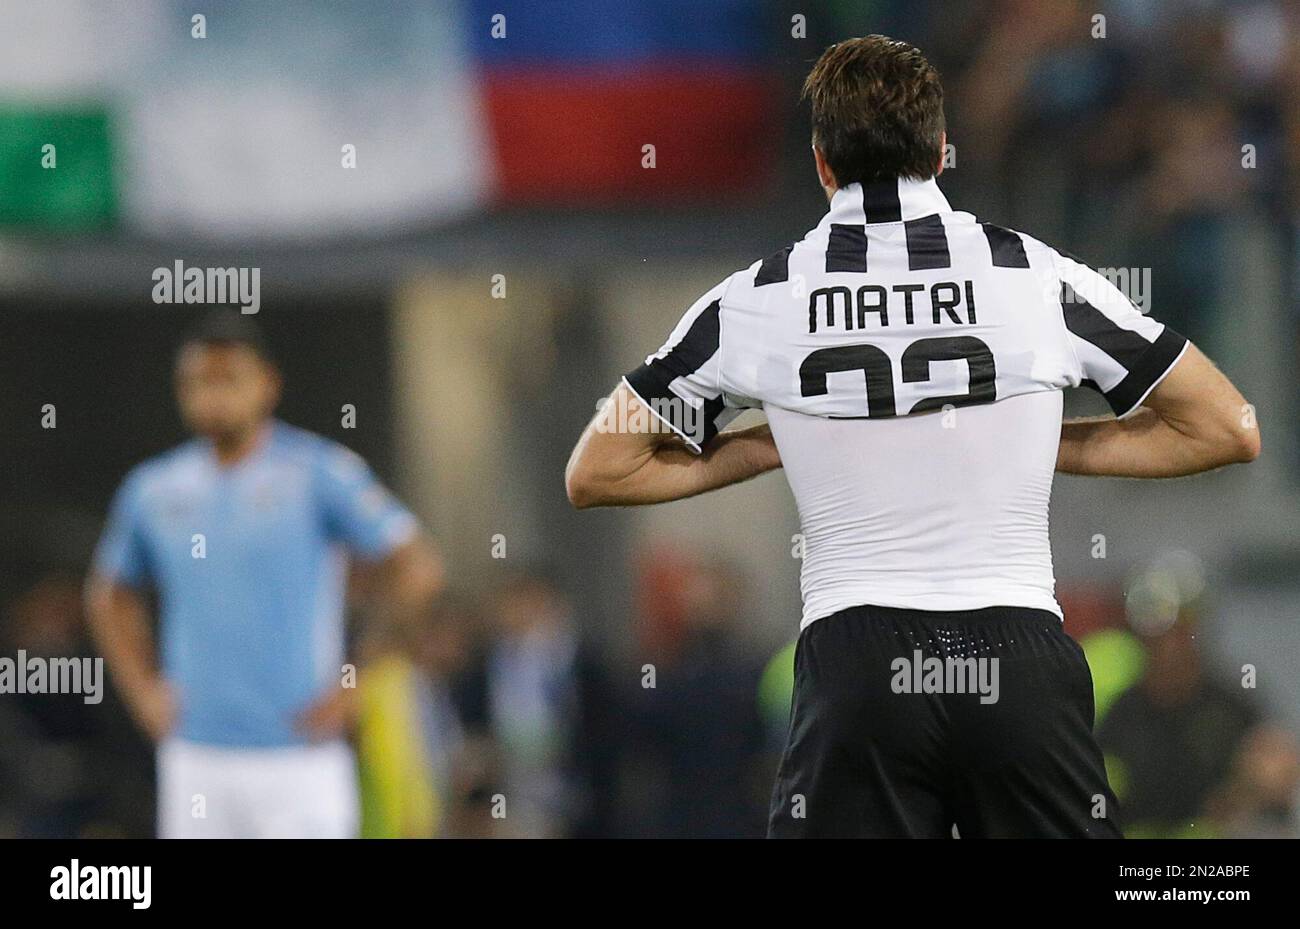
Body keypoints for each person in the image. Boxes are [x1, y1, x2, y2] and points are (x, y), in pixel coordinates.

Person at [564, 36, 1259, 838]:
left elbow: (598, 469)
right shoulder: (1031, 273)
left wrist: (764, 443)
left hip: (856, 664)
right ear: (939, 150)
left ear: (823, 163)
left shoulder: (759, 298)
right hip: (1016, 654)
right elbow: (1229, 427)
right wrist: (1054, 443)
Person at [86, 312, 442, 838]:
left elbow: (416, 564)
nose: (212, 396)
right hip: (197, 755)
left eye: (228, 379)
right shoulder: (155, 489)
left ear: (267, 385)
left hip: (299, 755)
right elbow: (110, 593)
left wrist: (360, 677)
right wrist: (141, 689)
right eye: (197, 382)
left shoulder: (317, 473)